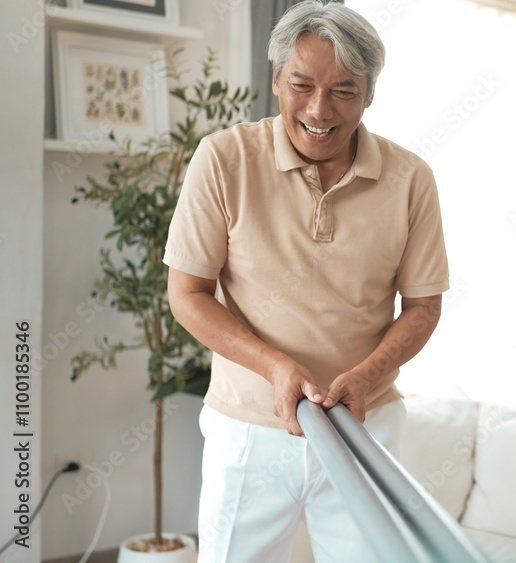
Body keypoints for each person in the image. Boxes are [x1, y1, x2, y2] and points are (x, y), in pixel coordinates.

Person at [163, 2, 449, 560]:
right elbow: (187, 295)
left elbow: (423, 307)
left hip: (366, 425)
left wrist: (365, 378)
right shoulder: (222, 160)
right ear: (275, 81)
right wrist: (274, 366)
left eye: (345, 90)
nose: (321, 109)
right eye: (302, 84)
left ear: (370, 94)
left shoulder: (411, 179)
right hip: (248, 424)